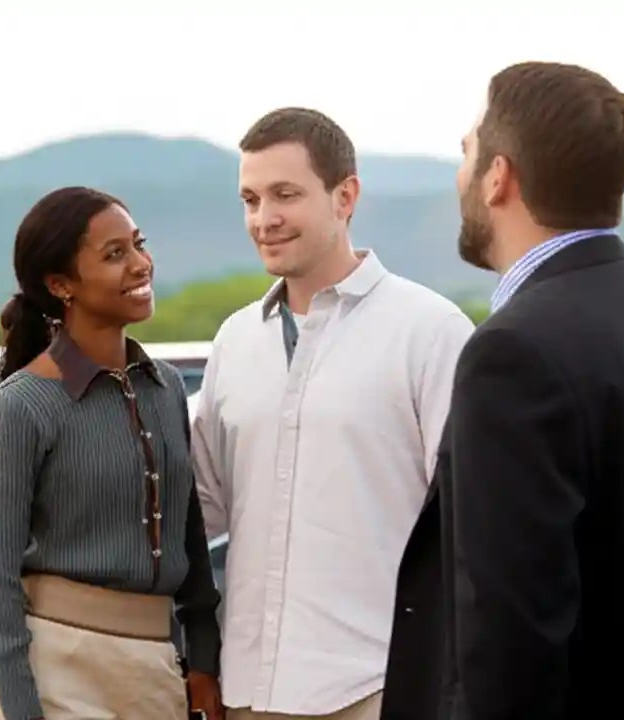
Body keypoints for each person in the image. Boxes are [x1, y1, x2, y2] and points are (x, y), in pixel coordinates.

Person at [382, 61, 624, 719]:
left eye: (467, 151)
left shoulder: (513, 353)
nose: (461, 171)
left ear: (500, 177)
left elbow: (509, 634)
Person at [192, 107, 474, 720]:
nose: (263, 219)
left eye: (284, 195)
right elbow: (201, 507)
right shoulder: (235, 341)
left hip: (376, 689)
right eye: (250, 198)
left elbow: (468, 526)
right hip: (245, 692)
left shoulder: (429, 331)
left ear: (345, 196)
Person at [0, 186, 224, 720]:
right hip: (56, 670)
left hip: (155, 670)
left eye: (138, 245)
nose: (140, 264)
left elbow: (190, 536)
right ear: (60, 285)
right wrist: (20, 711)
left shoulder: (167, 388)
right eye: (114, 254)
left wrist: (204, 660)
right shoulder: (23, 405)